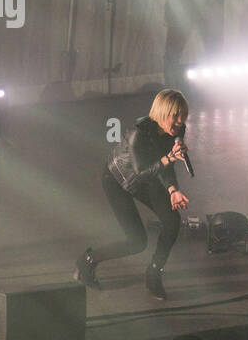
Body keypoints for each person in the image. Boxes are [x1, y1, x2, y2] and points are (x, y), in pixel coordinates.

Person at [74, 88, 192, 301]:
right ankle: (88, 259)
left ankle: (154, 272)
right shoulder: (138, 133)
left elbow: (165, 166)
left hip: (148, 176)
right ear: (161, 113)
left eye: (182, 116)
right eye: (175, 116)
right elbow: (141, 172)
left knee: (173, 221)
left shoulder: (176, 131)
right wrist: (169, 158)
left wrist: (173, 190)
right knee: (137, 242)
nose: (179, 122)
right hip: (118, 181)